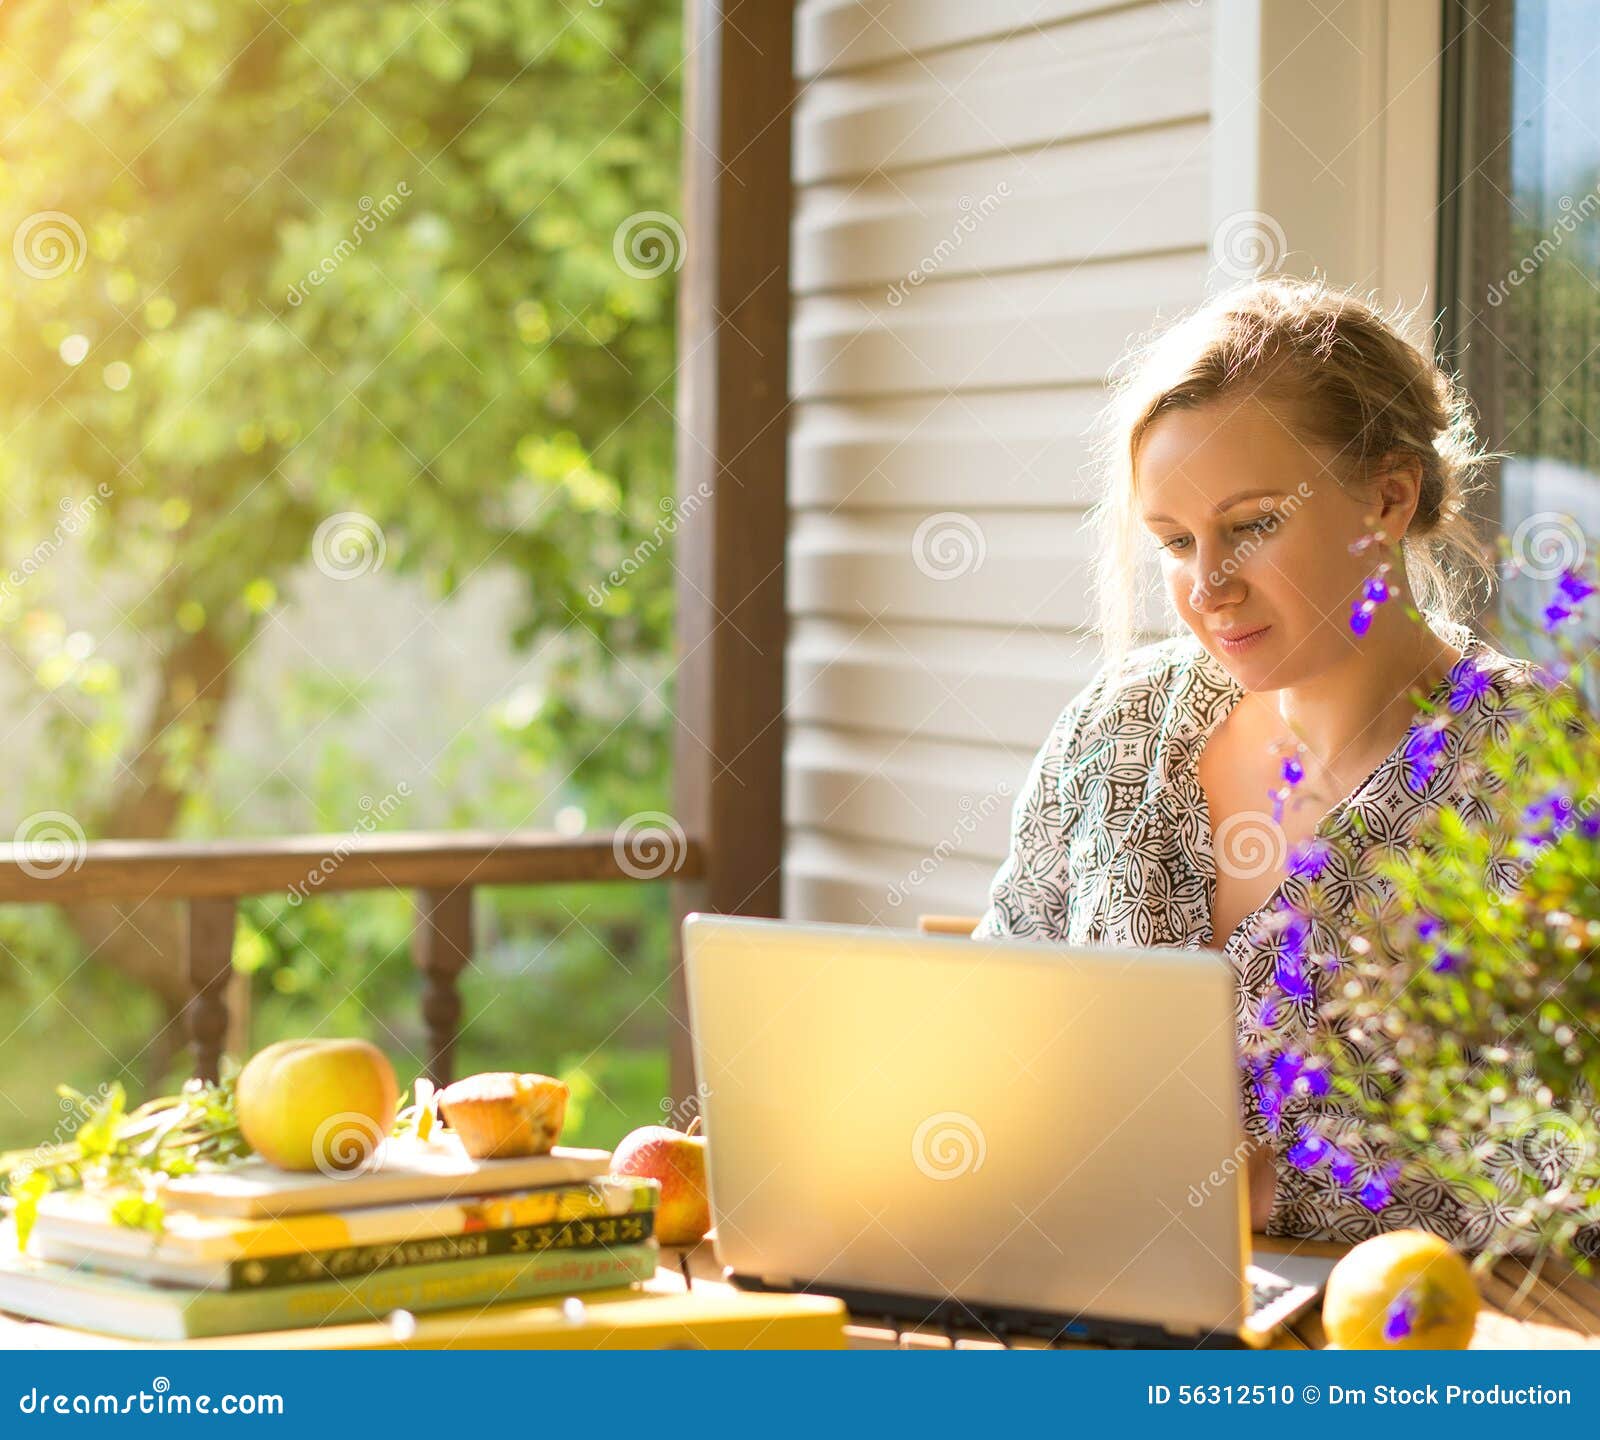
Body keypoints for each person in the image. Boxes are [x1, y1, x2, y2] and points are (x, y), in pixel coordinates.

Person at [973, 275, 1542, 1246]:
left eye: (1253, 525)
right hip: (1083, 1291)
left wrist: (1265, 1190)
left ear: (1390, 497)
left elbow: (1569, 1162)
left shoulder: (1530, 773)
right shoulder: (1121, 725)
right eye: (1175, 542)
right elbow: (996, 1012)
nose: (1209, 587)